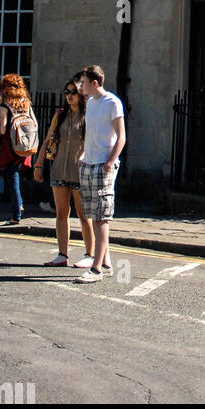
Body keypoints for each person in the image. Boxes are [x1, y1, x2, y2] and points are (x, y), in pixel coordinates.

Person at [32, 76, 95, 267]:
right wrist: (38, 164)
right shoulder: (60, 115)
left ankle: (89, 255)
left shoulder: (88, 116)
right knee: (61, 213)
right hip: (59, 169)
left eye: (73, 92)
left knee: (83, 215)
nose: (69, 96)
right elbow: (47, 140)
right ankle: (62, 255)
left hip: (79, 172)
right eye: (66, 92)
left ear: (81, 94)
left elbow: (93, 143)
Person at [75, 65, 125, 283]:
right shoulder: (91, 103)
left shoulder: (112, 103)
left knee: (101, 217)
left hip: (103, 165)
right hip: (88, 163)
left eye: (83, 82)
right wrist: (84, 154)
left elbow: (121, 137)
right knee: (92, 215)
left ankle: (96, 270)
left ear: (94, 83)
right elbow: (92, 133)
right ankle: (105, 261)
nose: (80, 86)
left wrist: (110, 162)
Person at [0, 74, 37, 226]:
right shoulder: (25, 102)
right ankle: (18, 203)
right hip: (25, 144)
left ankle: (16, 214)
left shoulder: (5, 104)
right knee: (15, 174)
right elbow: (35, 123)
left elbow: (2, 128)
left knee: (11, 176)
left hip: (10, 145)